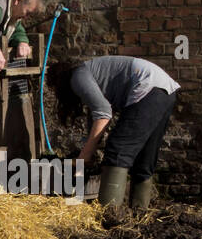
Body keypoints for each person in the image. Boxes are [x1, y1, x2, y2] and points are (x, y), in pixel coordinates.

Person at [51, 55, 180, 209]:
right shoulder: (92, 73)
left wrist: (84, 157)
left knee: (117, 150)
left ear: (60, 83)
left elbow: (103, 113)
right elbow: (97, 118)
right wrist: (89, 150)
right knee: (145, 157)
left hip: (147, 86)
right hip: (166, 90)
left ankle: (108, 216)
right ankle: (140, 217)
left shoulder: (77, 77)